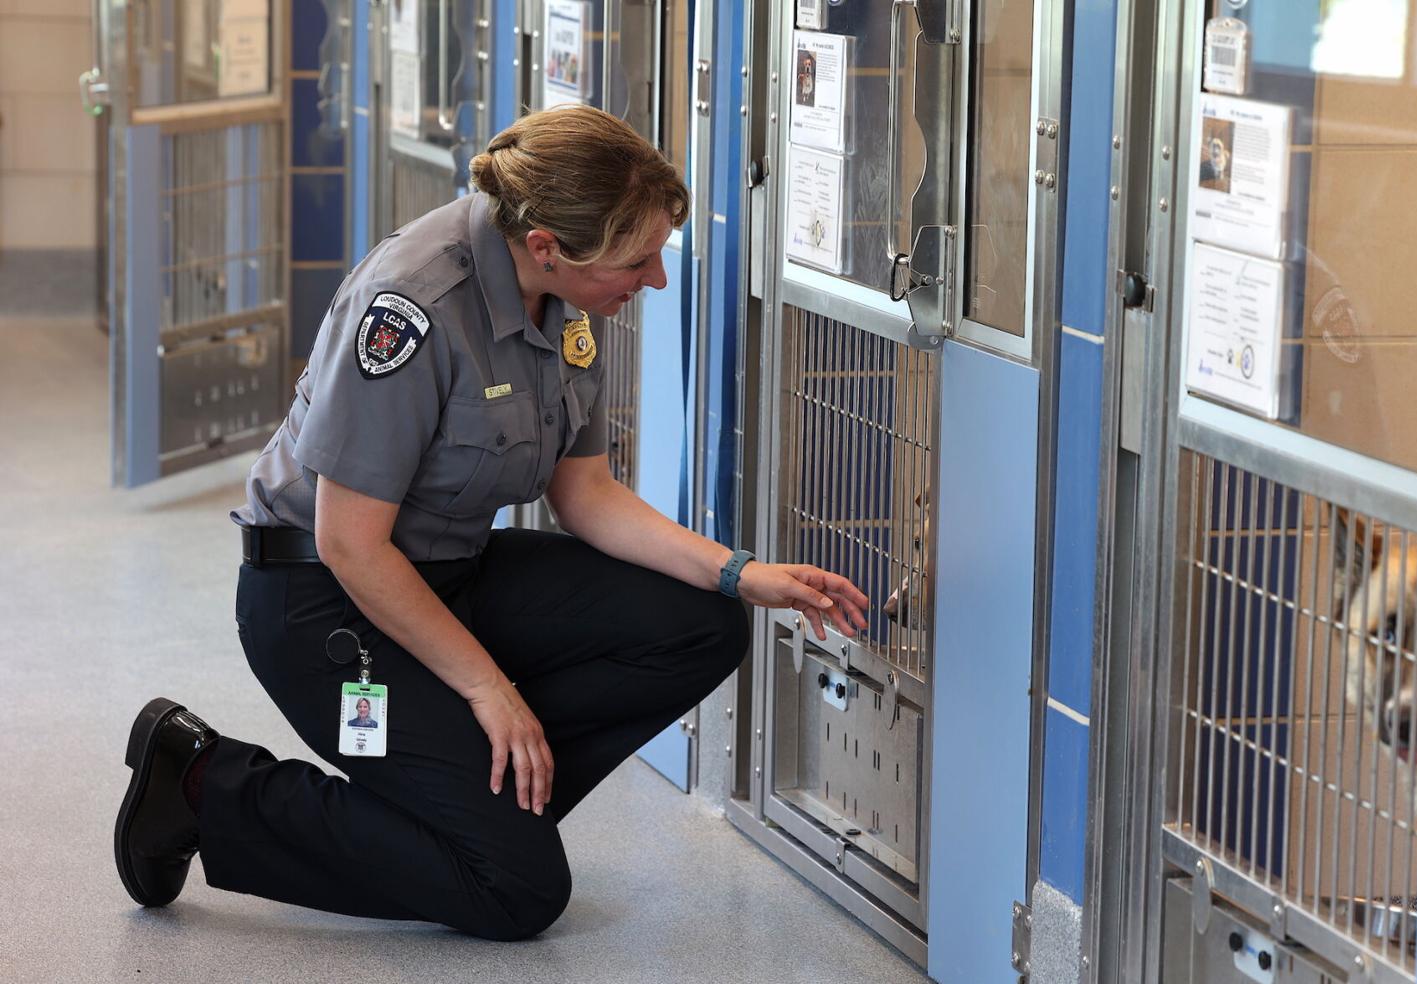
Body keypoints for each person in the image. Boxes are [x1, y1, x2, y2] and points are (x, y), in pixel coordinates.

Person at [112, 105, 868, 941]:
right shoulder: (411, 307)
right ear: (547, 244)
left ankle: (469, 809)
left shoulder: (567, 298)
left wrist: (740, 571)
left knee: (701, 622)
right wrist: (489, 690)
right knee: (516, 890)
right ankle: (198, 782)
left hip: (453, 574)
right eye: (638, 259)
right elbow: (348, 543)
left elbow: (584, 494)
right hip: (326, 602)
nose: (654, 279)